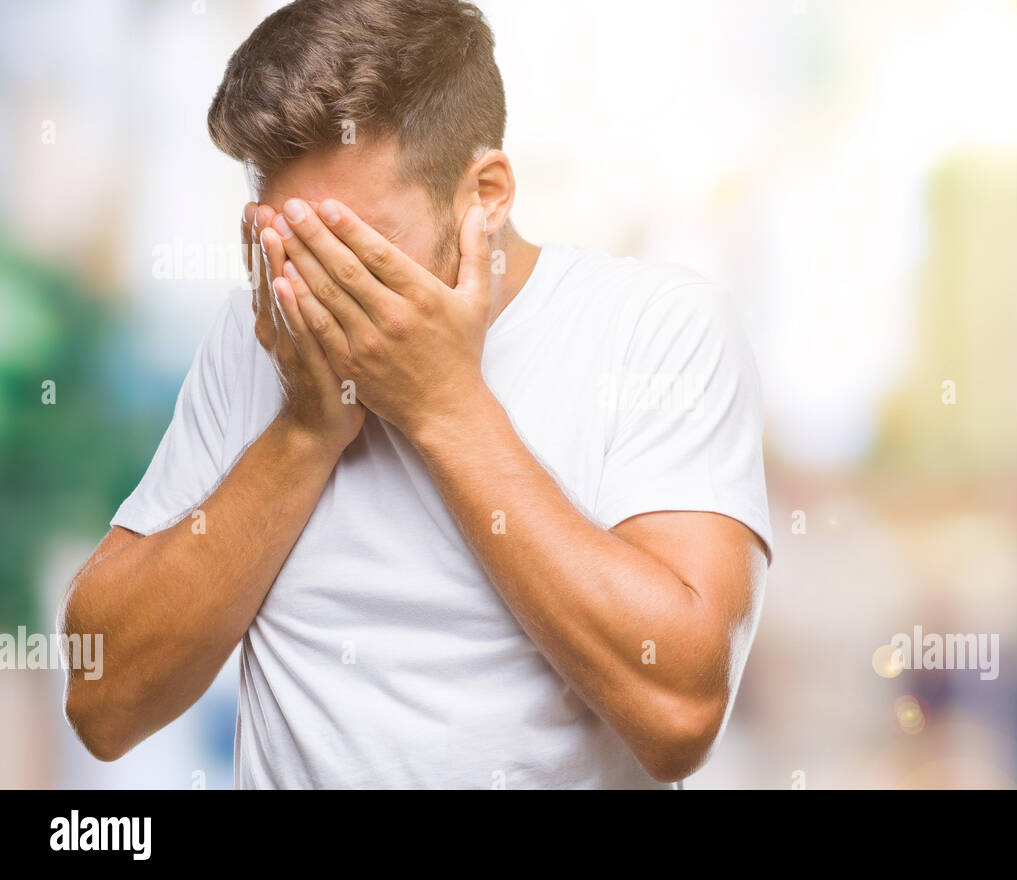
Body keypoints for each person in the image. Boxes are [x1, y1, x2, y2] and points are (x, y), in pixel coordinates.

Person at [61, 0, 770, 789]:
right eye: (285, 242)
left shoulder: (656, 328)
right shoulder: (261, 333)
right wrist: (302, 432)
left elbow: (681, 715)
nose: (313, 282)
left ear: (487, 193)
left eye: (355, 243)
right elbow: (102, 702)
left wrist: (444, 408)